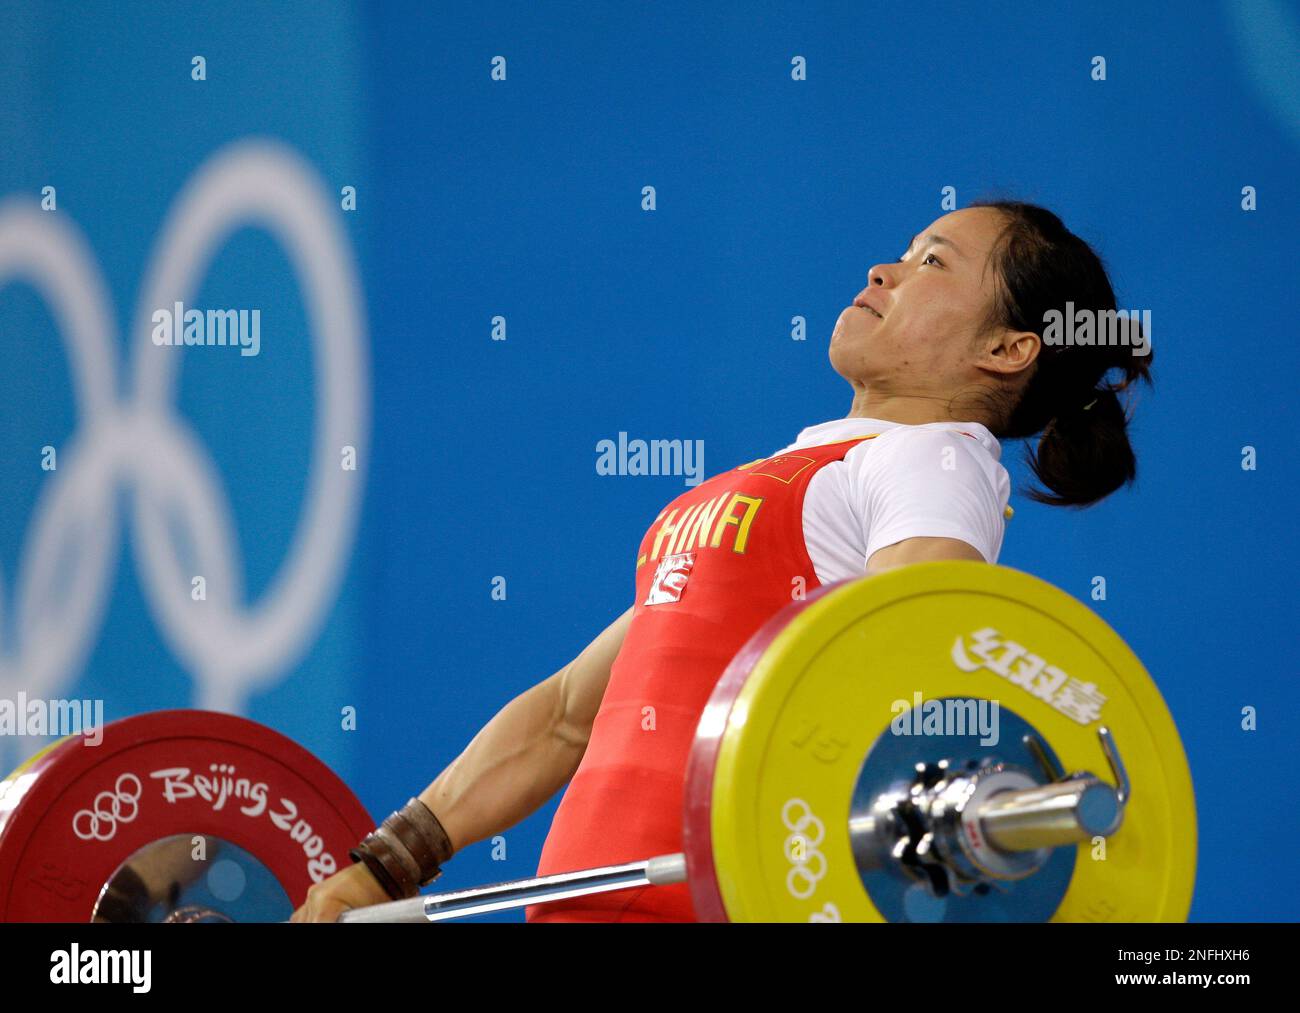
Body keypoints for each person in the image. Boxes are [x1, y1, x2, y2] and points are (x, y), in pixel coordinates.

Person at [290, 199, 1153, 923]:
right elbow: (565, 716)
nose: (883, 271)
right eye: (899, 252)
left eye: (932, 262)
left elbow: (912, 680)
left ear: (1006, 348)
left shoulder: (935, 457)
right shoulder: (802, 474)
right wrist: (387, 865)